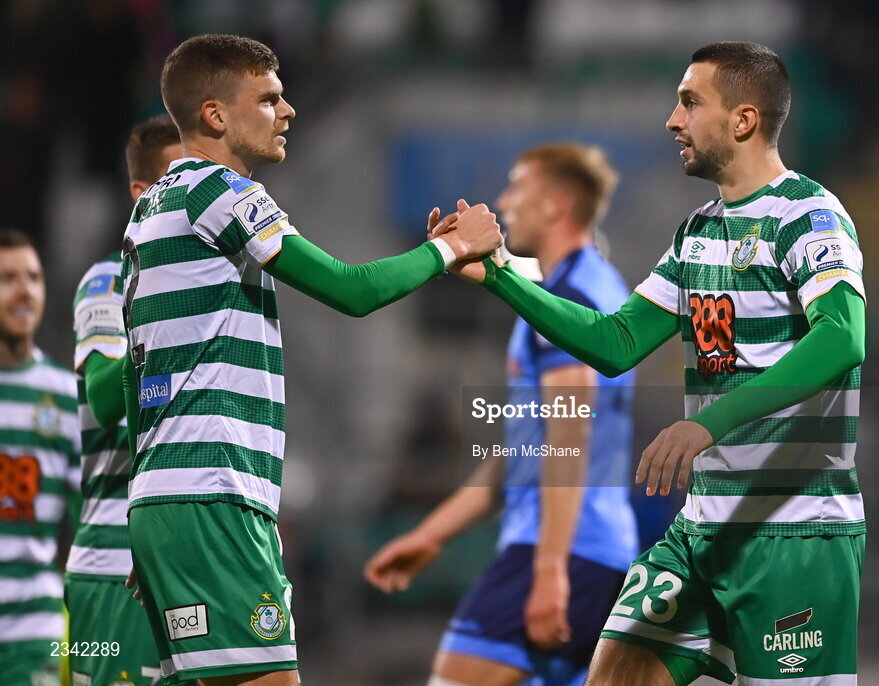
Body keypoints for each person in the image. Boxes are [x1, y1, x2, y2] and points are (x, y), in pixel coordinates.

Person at [437, 42, 867, 685]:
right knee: (612, 676)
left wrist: (709, 422)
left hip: (794, 535)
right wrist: (500, 275)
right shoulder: (697, 232)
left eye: (691, 102)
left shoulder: (808, 214)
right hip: (701, 530)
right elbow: (617, 341)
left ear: (743, 120)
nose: (673, 119)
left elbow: (843, 339)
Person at [121, 34, 502, 686]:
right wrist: (451, 251)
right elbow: (351, 290)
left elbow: (137, 374)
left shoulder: (149, 213)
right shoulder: (222, 192)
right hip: (216, 492)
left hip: (163, 500)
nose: (288, 110)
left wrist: (148, 511)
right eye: (268, 99)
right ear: (215, 115)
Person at [365, 143, 639, 686]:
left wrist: (549, 570)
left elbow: (567, 436)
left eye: (517, 186)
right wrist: (433, 534)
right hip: (593, 549)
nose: (505, 200)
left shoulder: (573, 296)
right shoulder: (588, 289)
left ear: (556, 204)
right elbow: (529, 450)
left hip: (563, 547)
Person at [66, 114, 191, 686]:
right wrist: (161, 342)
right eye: (178, 174)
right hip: (115, 558)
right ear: (142, 192)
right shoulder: (107, 282)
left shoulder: (202, 275)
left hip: (184, 553)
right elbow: (101, 393)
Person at [0, 229, 81, 686]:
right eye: (7, 277)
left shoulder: (64, 395)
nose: (24, 289)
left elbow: (85, 515)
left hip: (35, 633)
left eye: (32, 276)